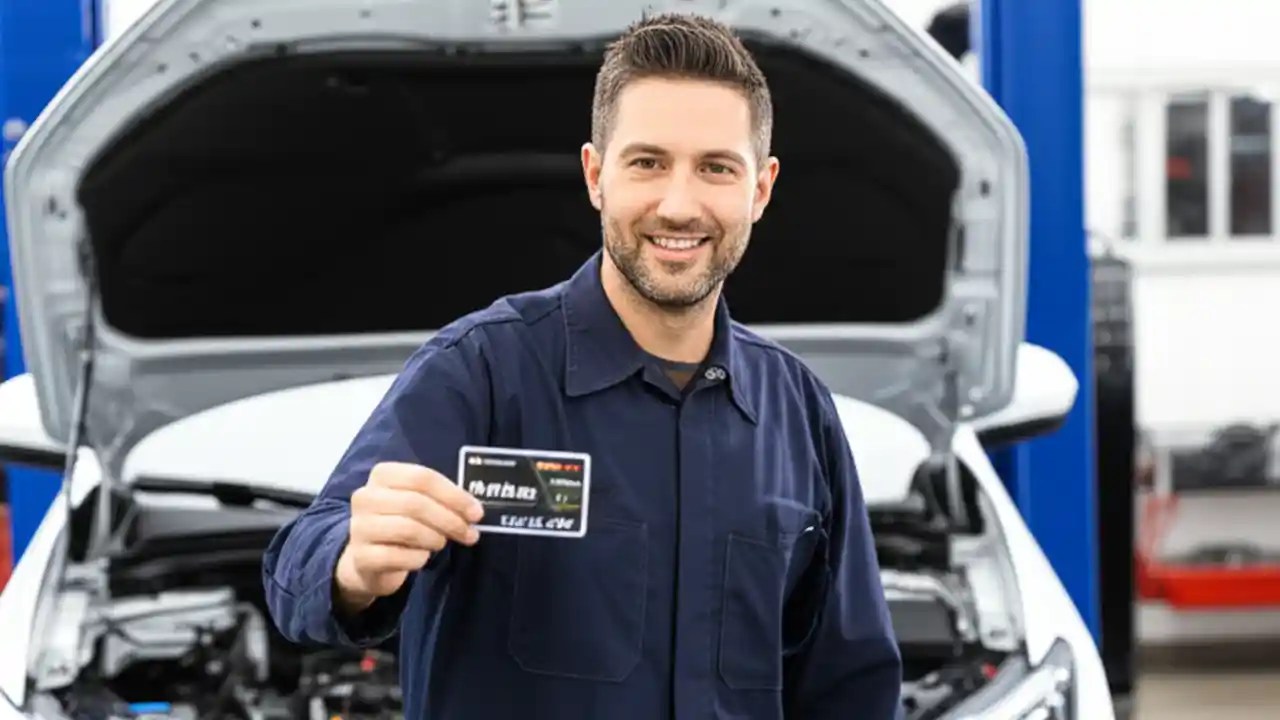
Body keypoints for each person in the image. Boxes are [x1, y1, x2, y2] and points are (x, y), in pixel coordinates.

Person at [262, 12, 902, 719]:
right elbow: (301, 570)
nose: (679, 204)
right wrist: (353, 564)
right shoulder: (481, 374)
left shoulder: (797, 412)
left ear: (760, 189)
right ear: (597, 175)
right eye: (648, 162)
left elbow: (850, 684)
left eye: (716, 168)